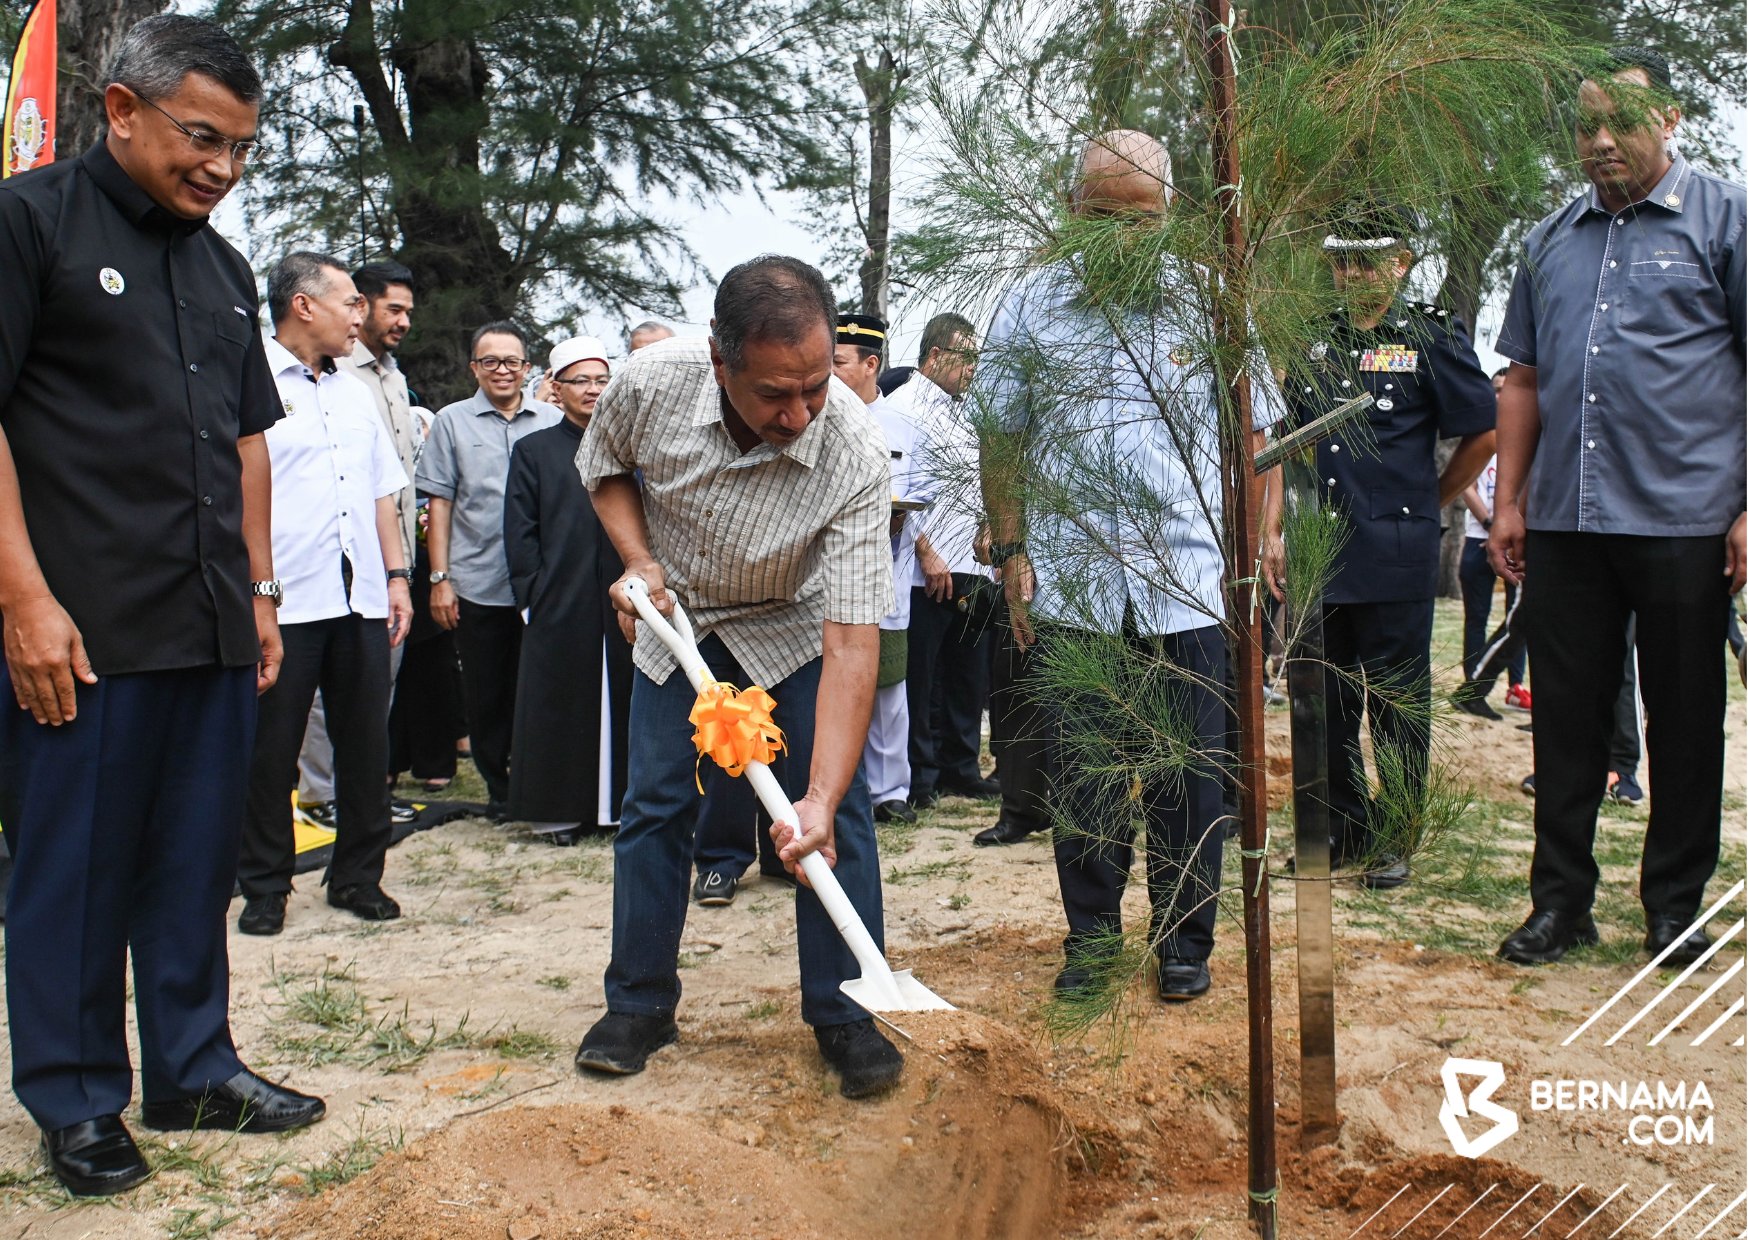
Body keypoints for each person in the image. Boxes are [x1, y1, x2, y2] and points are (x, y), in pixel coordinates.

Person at [0, 14, 325, 1196]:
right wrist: (23, 600)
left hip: (207, 618)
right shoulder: (28, 222)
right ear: (122, 110)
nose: (222, 169)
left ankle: (194, 1066)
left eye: (241, 147)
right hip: (80, 627)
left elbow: (247, 442)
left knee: (193, 859)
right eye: (202, 138)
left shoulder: (224, 266)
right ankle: (78, 1097)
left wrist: (258, 591)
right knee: (74, 867)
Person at [574, 255, 903, 1099]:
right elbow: (603, 466)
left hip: (792, 623)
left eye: (816, 387)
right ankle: (638, 1004)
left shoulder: (856, 448)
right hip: (678, 621)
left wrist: (821, 797)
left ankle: (847, 1012)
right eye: (773, 395)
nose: (798, 414)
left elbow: (854, 638)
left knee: (838, 815)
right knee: (656, 804)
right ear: (721, 362)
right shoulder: (652, 384)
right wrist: (640, 561)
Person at [984, 130, 1270, 1002]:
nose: (1119, 236)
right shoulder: (1030, 305)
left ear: (1171, 213)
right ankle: (1094, 941)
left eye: (1139, 220)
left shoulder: (1213, 304)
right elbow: (1003, 440)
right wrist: (1011, 549)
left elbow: (1257, 442)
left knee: (1191, 779)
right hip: (1074, 591)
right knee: (1085, 776)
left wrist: (1255, 561)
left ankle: (1186, 943)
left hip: (1189, 589)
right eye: (1102, 216)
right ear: (1073, 211)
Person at [1488, 47, 1745, 967]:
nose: (1600, 141)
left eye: (1621, 122)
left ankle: (1673, 908)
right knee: (1565, 723)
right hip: (1566, 524)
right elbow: (1521, 378)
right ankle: (1560, 904)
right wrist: (1509, 500)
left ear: (1669, 120)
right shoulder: (1550, 237)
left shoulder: (1726, 218)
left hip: (1687, 522)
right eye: (1586, 124)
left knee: (1682, 724)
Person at [1263, 201, 1496, 890]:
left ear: (1401, 263)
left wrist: (1436, 499)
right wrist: (1272, 531)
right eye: (1341, 259)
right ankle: (1339, 828)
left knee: (1395, 702)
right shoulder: (1313, 337)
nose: (1351, 272)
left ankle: (1395, 835)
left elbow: (1483, 430)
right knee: (1322, 701)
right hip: (1321, 547)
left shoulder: (1428, 336)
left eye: (1366, 258)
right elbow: (1282, 441)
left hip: (1395, 545)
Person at [236, 253, 413, 935]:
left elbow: (379, 491)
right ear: (303, 305)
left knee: (366, 742)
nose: (360, 314)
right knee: (271, 745)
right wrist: (256, 590)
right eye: (350, 302)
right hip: (284, 598)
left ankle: (358, 876)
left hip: (361, 595)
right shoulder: (249, 379)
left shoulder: (353, 389)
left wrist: (395, 576)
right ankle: (264, 885)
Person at [415, 321, 561, 813]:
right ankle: (499, 789)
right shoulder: (452, 422)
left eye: (512, 362)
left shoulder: (549, 421)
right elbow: (440, 503)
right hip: (477, 582)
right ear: (474, 367)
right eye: (491, 362)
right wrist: (440, 580)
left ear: (528, 367)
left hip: (542, 584)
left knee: (537, 689)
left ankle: (536, 785)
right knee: (485, 691)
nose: (503, 371)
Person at [296, 259, 421, 819]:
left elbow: (385, 485)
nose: (401, 322)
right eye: (391, 309)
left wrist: (398, 572)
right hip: (305, 574)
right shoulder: (318, 376)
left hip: (378, 566)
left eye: (406, 312)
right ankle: (320, 796)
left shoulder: (385, 379)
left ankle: (365, 806)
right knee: (312, 703)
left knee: (374, 699)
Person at [504, 337, 632, 842]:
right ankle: (559, 813)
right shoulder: (533, 450)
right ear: (556, 389)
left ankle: (622, 808)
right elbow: (520, 530)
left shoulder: (628, 449)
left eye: (602, 380)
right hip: (560, 596)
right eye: (581, 381)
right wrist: (532, 594)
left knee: (625, 700)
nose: (593, 390)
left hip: (626, 597)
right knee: (561, 703)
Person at [888, 312, 998, 807]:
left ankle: (962, 765)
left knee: (967, 675)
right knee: (924, 678)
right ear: (935, 356)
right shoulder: (903, 407)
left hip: (971, 562)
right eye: (966, 357)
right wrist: (926, 550)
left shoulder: (964, 413)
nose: (973, 368)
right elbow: (896, 491)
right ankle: (922, 778)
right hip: (924, 566)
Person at [834, 312, 936, 824]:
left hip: (887, 574)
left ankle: (890, 791)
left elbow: (924, 493)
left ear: (870, 364)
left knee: (889, 686)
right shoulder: (816, 419)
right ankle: (840, 786)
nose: (829, 372)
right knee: (832, 681)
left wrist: (906, 527)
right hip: (828, 576)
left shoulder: (904, 426)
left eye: (839, 362)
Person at [1454, 372, 1529, 720]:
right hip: (1477, 538)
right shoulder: (1481, 435)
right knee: (1480, 618)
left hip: (1519, 542)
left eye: (1506, 389)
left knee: (1521, 617)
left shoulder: (1530, 433)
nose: (1502, 396)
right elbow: (1466, 483)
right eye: (1497, 390)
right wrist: (1489, 521)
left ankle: (1516, 686)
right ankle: (1474, 686)